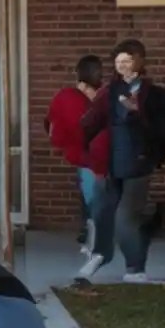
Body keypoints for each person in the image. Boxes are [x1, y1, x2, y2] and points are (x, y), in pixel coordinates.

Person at [78, 39, 165, 283]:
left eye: (129, 60)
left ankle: (135, 269)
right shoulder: (109, 94)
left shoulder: (153, 96)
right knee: (102, 210)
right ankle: (102, 255)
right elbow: (89, 123)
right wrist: (89, 149)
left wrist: (140, 117)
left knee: (125, 217)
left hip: (138, 163)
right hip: (111, 163)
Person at [46, 55, 106, 253]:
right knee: (94, 197)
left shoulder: (64, 98)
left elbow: (51, 125)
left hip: (80, 156)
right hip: (91, 157)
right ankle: (94, 237)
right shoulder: (95, 98)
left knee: (89, 195)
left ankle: (90, 232)